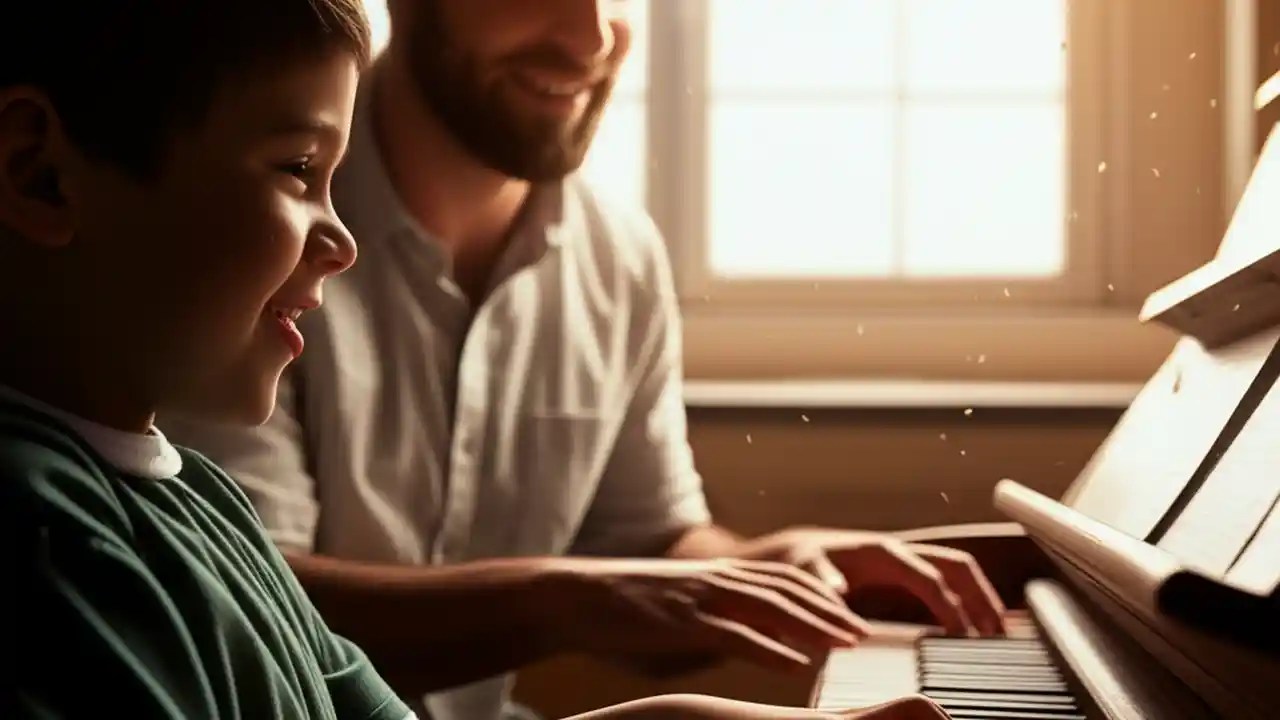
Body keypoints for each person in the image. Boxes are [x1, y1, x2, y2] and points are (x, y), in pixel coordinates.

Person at [0, 2, 957, 719]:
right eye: (300, 173)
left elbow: (653, 544)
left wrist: (767, 568)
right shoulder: (68, 503)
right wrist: (576, 599)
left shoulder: (197, 498)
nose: (588, 39)